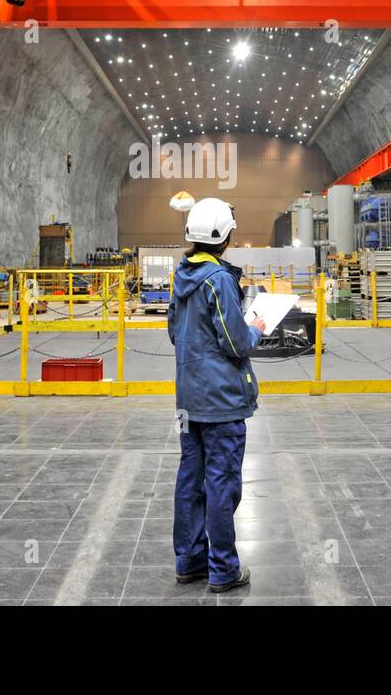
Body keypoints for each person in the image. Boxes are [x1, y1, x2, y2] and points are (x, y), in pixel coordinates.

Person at [166, 198, 266, 592]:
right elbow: (235, 342)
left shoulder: (181, 276)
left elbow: (176, 333)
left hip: (188, 402)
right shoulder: (219, 280)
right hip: (221, 403)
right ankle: (223, 568)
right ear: (225, 237)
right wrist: (255, 326)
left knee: (190, 479)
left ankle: (189, 561)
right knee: (222, 483)